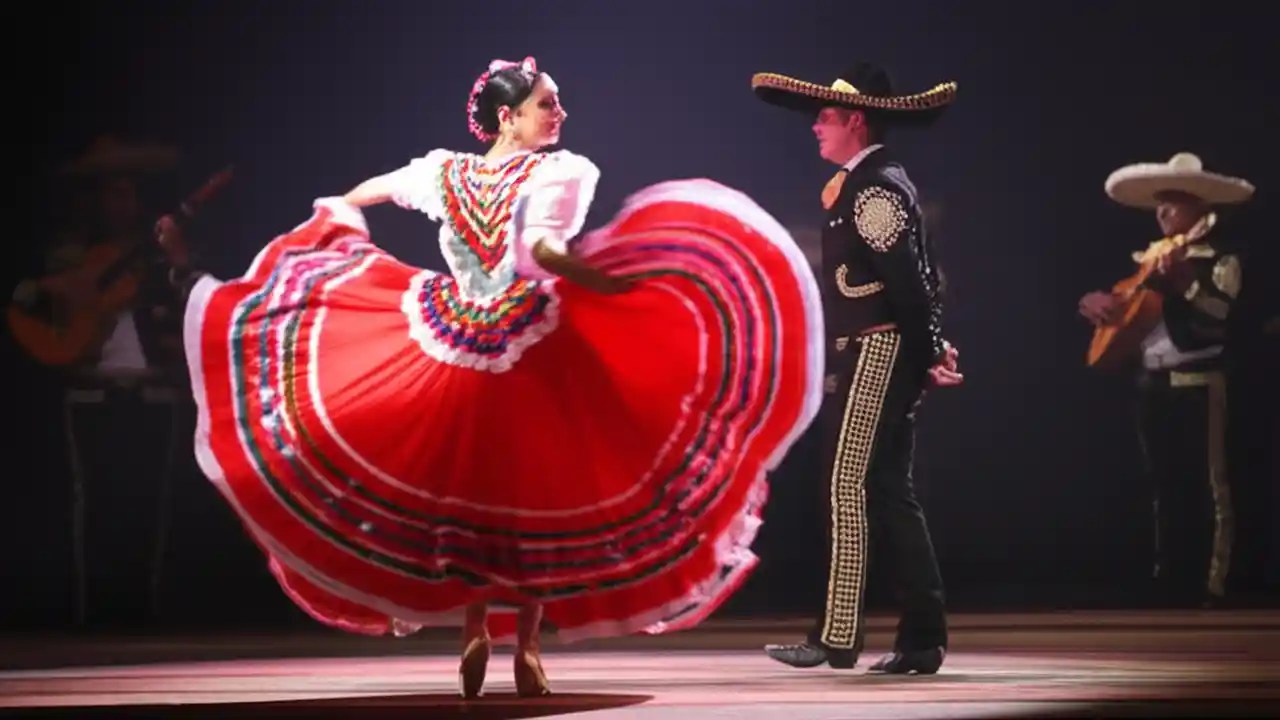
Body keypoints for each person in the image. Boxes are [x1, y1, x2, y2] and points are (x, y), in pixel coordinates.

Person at [155, 56, 824, 698]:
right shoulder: (556, 173)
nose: (560, 113)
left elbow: (367, 192)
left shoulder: (445, 173)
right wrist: (601, 278)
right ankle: (525, 645)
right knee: (528, 495)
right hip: (531, 343)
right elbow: (541, 249)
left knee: (472, 496)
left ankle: (478, 630)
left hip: (454, 337)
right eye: (547, 104)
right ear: (508, 117)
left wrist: (339, 218)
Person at [749, 61, 962, 674]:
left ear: (856, 121)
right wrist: (932, 348)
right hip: (877, 351)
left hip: (877, 353)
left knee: (847, 485)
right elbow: (917, 279)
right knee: (890, 492)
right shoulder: (866, 184)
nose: (816, 126)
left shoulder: (873, 189)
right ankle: (922, 639)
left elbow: (911, 286)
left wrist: (928, 351)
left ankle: (838, 635)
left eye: (827, 116)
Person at [1078, 152, 1254, 607]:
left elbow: (1221, 321)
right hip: (1152, 382)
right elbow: (1130, 306)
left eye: (1173, 202)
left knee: (1213, 487)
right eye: (1160, 203)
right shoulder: (1150, 260)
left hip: (1202, 382)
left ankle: (1216, 583)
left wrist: (1187, 284)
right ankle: (1170, 578)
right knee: (1164, 484)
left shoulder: (1221, 259)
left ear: (1200, 206)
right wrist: (1100, 304)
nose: (1162, 211)